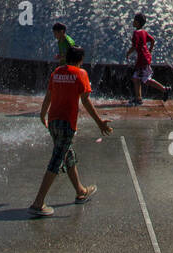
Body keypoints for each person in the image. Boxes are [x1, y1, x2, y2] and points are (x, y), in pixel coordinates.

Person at [28, 46, 113, 218]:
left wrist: (42, 114)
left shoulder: (57, 72)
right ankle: (38, 203)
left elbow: (49, 95)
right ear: (80, 60)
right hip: (67, 123)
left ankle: (80, 191)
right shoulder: (80, 73)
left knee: (68, 155)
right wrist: (99, 123)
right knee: (56, 160)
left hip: (53, 121)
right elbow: (86, 101)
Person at [126, 13, 170, 104]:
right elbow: (152, 40)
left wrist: (128, 53)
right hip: (145, 58)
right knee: (136, 78)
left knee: (146, 79)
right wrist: (150, 50)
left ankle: (164, 89)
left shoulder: (136, 33)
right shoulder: (143, 32)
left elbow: (134, 46)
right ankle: (138, 98)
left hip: (142, 59)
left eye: (134, 20)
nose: (133, 22)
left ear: (137, 23)